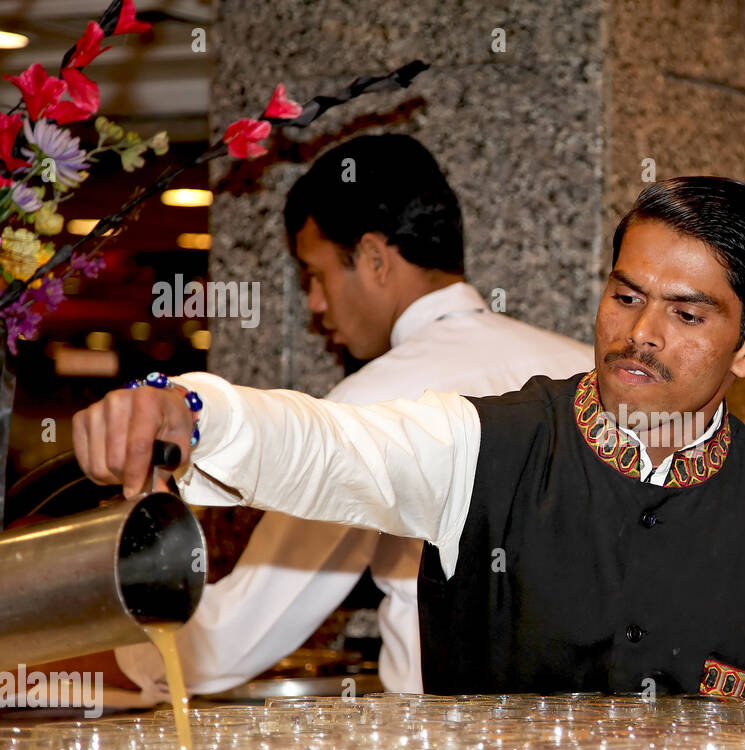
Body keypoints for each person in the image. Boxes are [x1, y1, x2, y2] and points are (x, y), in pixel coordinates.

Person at [75, 176, 745, 729]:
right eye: (624, 295)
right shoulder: (486, 444)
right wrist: (192, 411)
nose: (638, 335)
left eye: (686, 314)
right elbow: (330, 447)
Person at [112, 134, 591, 702]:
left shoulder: (374, 401)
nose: (315, 305)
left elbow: (232, 637)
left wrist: (92, 639)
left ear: (373, 258)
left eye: (314, 275)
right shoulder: (585, 367)